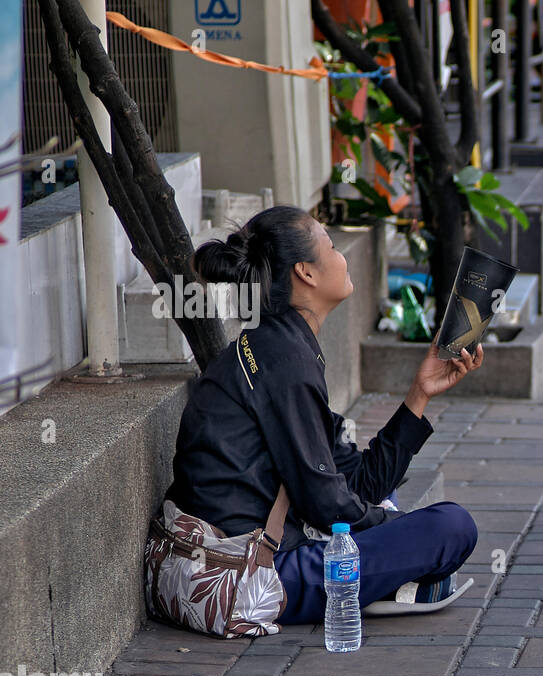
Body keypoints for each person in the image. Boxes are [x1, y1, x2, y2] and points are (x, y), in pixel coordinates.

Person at [164, 205, 480, 624]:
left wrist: (420, 393)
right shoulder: (285, 360)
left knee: (390, 503)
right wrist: (394, 524)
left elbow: (360, 482)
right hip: (254, 572)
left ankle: (394, 580)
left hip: (252, 552)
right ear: (306, 273)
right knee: (452, 527)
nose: (342, 256)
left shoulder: (277, 345)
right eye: (331, 246)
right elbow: (326, 504)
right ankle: (390, 583)